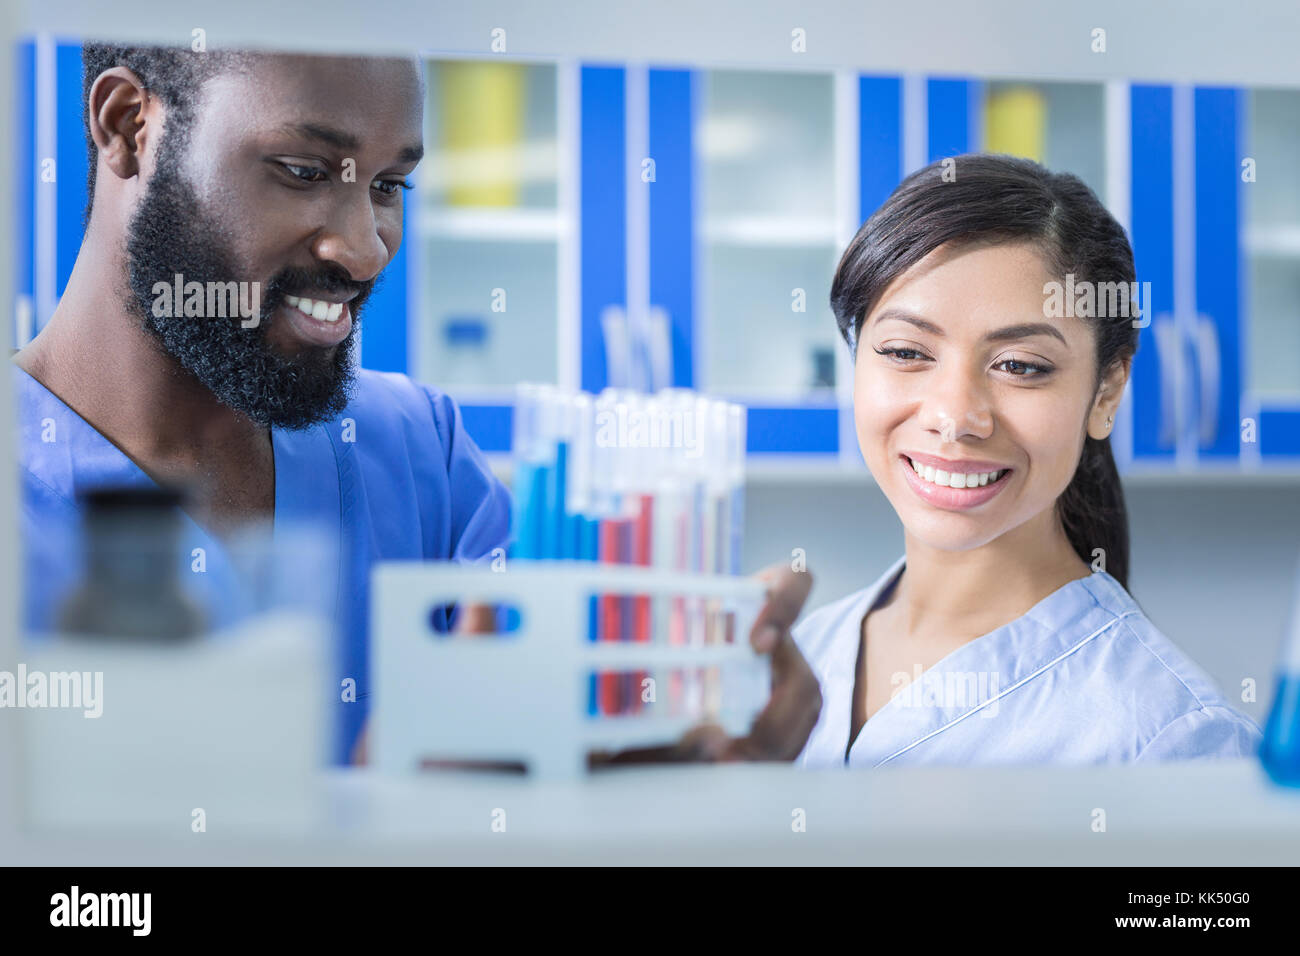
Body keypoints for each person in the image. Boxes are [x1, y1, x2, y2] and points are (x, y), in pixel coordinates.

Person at [13, 44, 820, 766]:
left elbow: (559, 753)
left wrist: (683, 752)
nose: (365, 248)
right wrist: (390, 814)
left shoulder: (414, 449)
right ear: (127, 125)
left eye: (391, 184)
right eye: (302, 170)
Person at [792, 154, 1262, 768]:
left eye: (1019, 366)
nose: (956, 415)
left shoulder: (1173, 740)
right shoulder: (798, 658)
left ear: (1106, 392)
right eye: (907, 351)